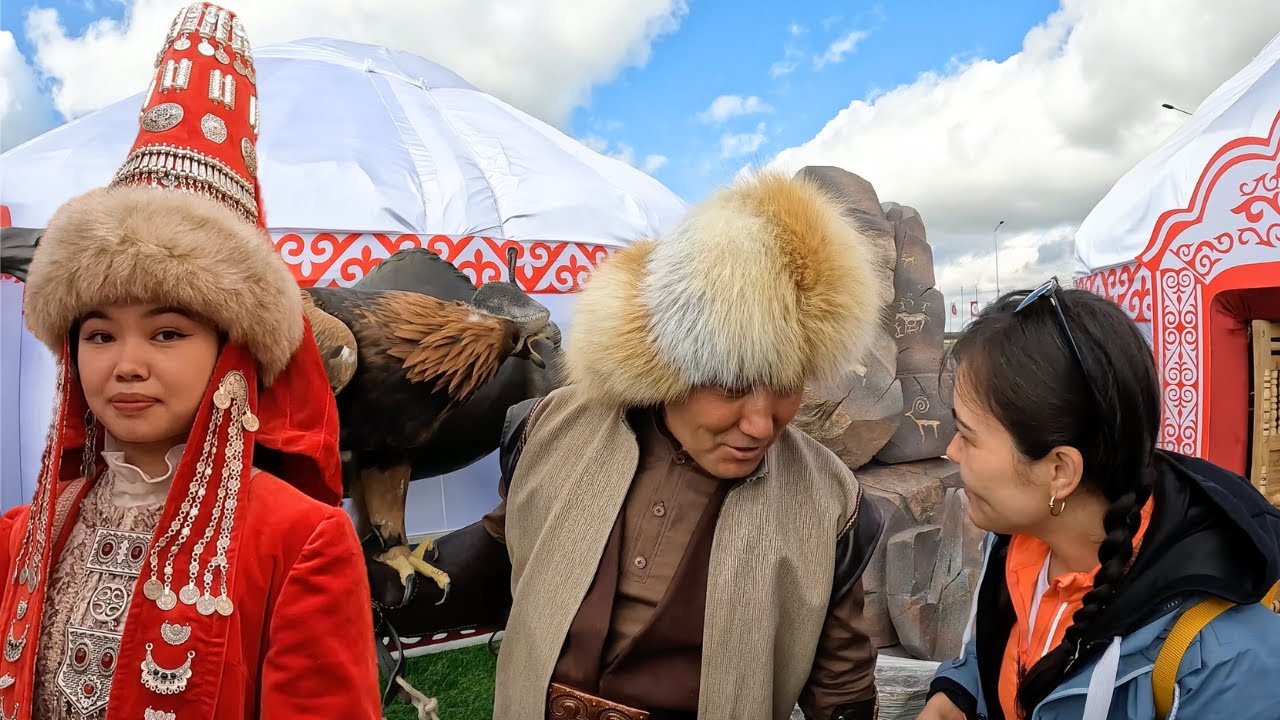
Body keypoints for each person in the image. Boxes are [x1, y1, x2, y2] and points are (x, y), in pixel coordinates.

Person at [387, 171, 888, 720]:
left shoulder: (829, 502)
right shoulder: (552, 430)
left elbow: (842, 690)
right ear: (675, 360)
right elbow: (505, 552)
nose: (763, 424)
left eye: (789, 385)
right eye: (732, 386)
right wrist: (375, 582)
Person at [0, 3, 382, 718]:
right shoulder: (21, 536)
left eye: (168, 333)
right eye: (99, 334)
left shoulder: (300, 543)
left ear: (229, 355)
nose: (127, 363)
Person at [917, 279, 1280, 720]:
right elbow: (995, 653)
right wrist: (956, 692)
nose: (952, 451)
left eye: (968, 437)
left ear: (1059, 472)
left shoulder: (1224, 664)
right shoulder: (1016, 543)